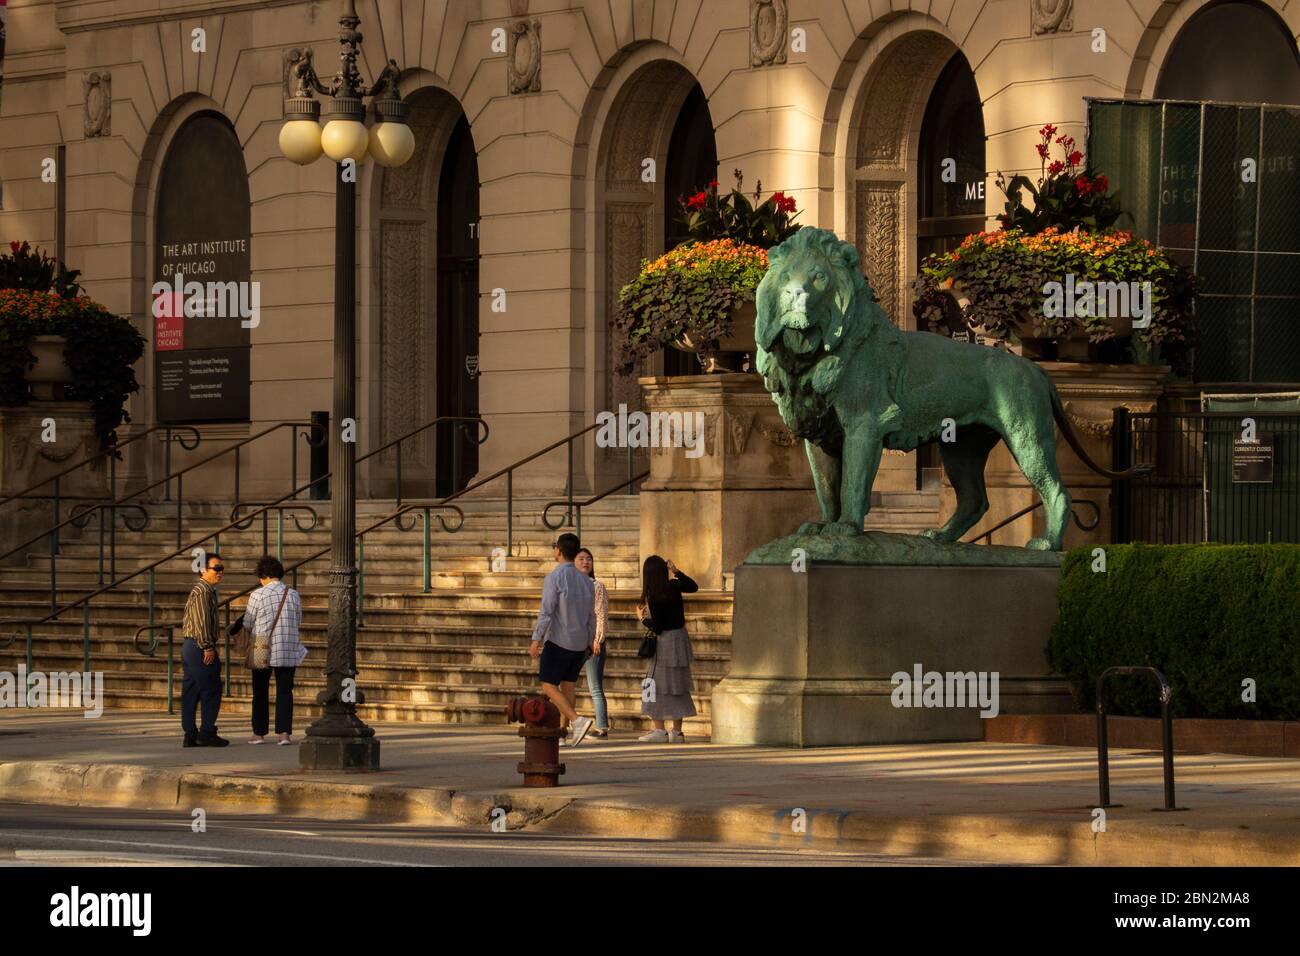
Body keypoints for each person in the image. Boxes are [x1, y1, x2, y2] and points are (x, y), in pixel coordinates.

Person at [529, 532, 596, 747]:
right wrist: (591, 639)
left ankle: (577, 721)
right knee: (569, 686)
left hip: (560, 639)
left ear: (558, 550)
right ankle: (563, 732)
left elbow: (547, 610)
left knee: (548, 685)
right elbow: (591, 615)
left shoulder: (555, 577)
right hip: (579, 641)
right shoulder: (586, 581)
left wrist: (536, 638)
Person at [243, 555, 306, 745]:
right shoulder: (293, 594)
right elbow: (298, 619)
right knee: (285, 690)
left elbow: (247, 622)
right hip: (287, 643)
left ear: (264, 575)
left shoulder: (257, 594)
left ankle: (259, 733)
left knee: (260, 690)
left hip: (261, 643)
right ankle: (284, 734)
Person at [635, 555, 698, 743]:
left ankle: (659, 729)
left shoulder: (654, 595)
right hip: (680, 639)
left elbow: (658, 626)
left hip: (665, 642)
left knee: (651, 684)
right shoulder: (673, 586)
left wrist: (642, 618)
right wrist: (677, 571)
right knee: (677, 684)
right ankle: (677, 732)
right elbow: (693, 586)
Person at [180, 552, 228, 747]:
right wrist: (207, 646)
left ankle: (190, 734)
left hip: (192, 646)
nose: (220, 572)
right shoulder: (203, 592)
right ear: (203, 570)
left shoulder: (204, 590)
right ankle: (207, 732)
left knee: (191, 690)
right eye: (216, 568)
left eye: (221, 568)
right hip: (199, 645)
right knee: (212, 688)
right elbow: (201, 622)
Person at [574, 547, 609, 738]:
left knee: (595, 685)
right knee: (566, 683)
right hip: (573, 641)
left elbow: (601, 614)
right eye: (581, 558)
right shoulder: (570, 586)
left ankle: (602, 726)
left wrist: (598, 639)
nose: (586, 562)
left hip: (592, 642)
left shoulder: (597, 586)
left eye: (589, 559)